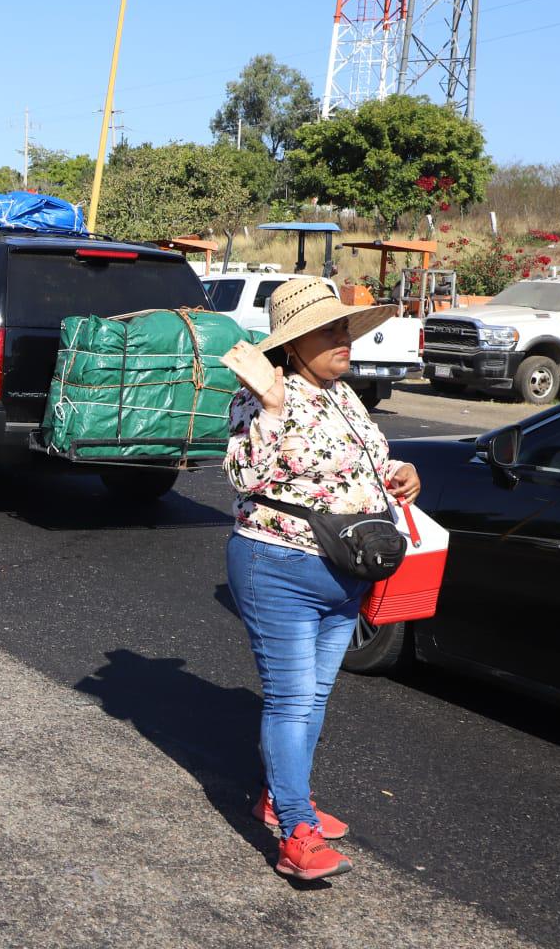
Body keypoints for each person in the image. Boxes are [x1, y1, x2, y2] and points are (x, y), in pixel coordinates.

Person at [220, 277, 421, 882]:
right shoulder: (260, 394)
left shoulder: (344, 395)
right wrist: (273, 408)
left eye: (345, 329)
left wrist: (403, 472)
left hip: (346, 570)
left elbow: (372, 460)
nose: (344, 340)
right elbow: (244, 476)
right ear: (294, 342)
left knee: (313, 698)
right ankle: (295, 831)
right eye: (329, 331)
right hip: (277, 564)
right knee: (288, 699)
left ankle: (280, 796)